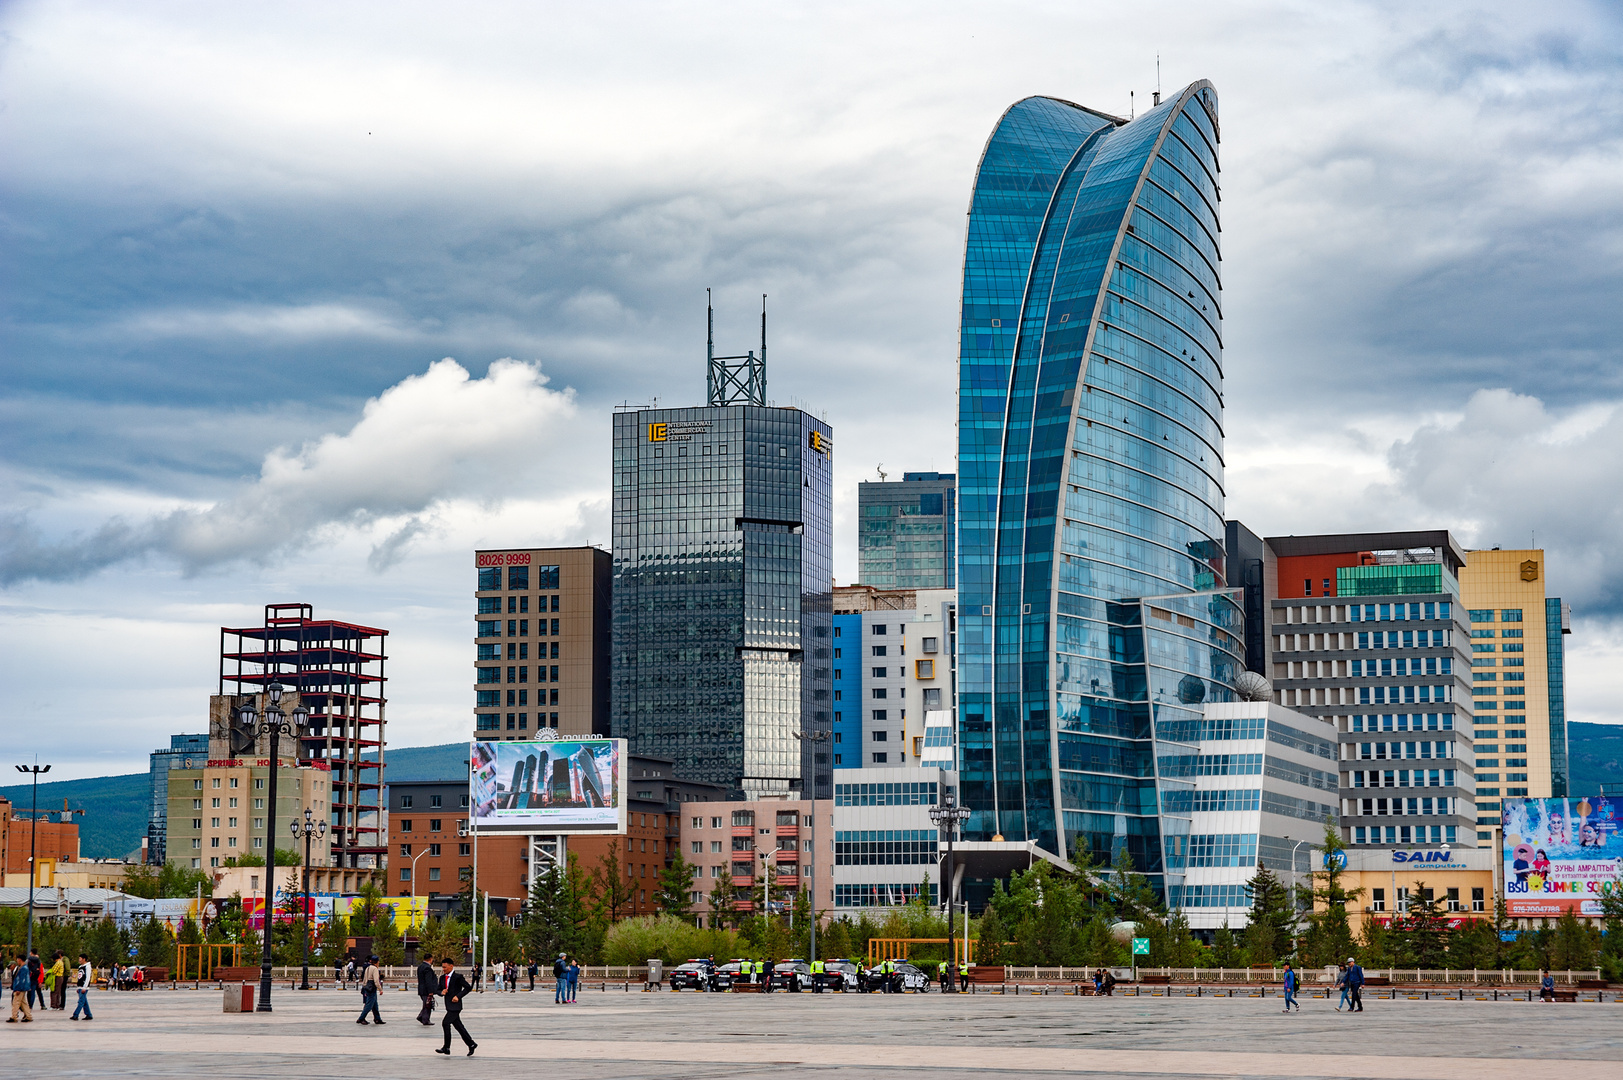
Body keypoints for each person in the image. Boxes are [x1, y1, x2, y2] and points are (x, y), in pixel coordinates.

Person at [435, 959, 476, 1057]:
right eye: (442, 967)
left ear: (451, 966)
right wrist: (441, 992)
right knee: (459, 1027)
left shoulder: (458, 977)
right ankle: (471, 1044)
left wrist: (458, 996)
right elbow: (438, 989)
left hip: (456, 1006)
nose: (443, 969)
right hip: (448, 1005)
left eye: (445, 967)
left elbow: (468, 988)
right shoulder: (442, 978)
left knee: (445, 1023)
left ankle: (446, 1047)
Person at [357, 954, 385, 1025]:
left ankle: (377, 1018)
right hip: (372, 988)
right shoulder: (375, 969)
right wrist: (380, 989)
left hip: (367, 987)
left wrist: (364, 986)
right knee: (369, 1005)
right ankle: (361, 1018)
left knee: (375, 1004)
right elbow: (376, 980)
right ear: (377, 962)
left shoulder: (368, 968)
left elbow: (364, 978)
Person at [8, 954, 32, 1023]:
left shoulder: (23, 968)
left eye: (17, 959)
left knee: (16, 1002)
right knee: (24, 1003)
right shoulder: (25, 967)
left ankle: (14, 1017)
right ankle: (28, 1016)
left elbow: (21, 980)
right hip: (23, 988)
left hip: (20, 988)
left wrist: (18, 988)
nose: (17, 961)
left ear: (20, 960)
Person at [415, 953, 438, 1025]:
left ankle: (421, 1016)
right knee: (428, 1005)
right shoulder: (427, 968)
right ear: (430, 959)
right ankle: (425, 1019)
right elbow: (428, 981)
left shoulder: (420, 967)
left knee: (426, 1004)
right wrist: (430, 991)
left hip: (421, 989)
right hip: (426, 990)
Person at [70, 954, 93, 1022]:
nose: (79, 960)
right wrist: (78, 987)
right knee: (84, 1001)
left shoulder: (87, 967)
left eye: (80, 958)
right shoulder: (80, 967)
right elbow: (79, 977)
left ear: (84, 959)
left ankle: (75, 1015)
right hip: (80, 986)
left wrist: (85, 987)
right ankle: (89, 1014)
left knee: (81, 1002)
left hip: (84, 987)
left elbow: (88, 977)